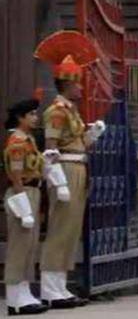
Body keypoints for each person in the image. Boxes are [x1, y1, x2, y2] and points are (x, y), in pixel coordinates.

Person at [35, 31, 104, 309]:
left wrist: (93, 135)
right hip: (63, 168)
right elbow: (51, 148)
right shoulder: (56, 111)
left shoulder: (72, 111)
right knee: (59, 229)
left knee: (71, 229)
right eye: (78, 84)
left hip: (77, 166)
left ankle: (60, 285)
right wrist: (57, 180)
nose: (82, 89)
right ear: (67, 83)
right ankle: (50, 287)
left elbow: (79, 144)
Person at [3, 99, 49, 316]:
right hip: (22, 193)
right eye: (31, 114)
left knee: (29, 246)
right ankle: (14, 297)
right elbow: (16, 176)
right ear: (20, 117)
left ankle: (24, 290)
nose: (35, 117)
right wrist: (23, 206)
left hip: (34, 191)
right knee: (19, 246)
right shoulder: (17, 142)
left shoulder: (28, 139)